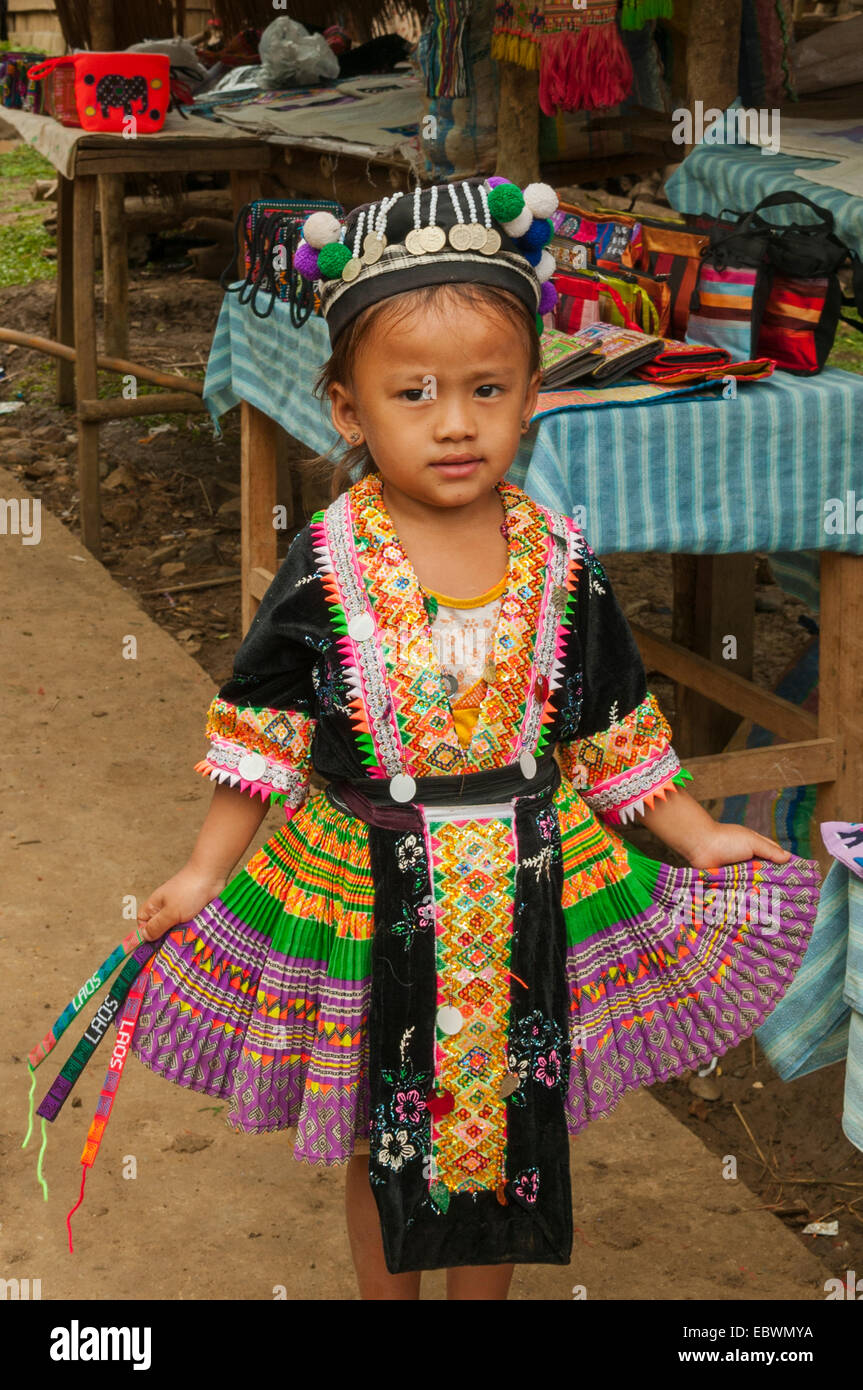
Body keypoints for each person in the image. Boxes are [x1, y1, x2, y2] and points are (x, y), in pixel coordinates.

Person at [33, 177, 821, 1300]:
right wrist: (203, 869)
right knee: (381, 1125)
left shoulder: (559, 559)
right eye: (413, 393)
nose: (454, 421)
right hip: (366, 894)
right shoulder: (326, 561)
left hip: (526, 896)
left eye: (486, 389)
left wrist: (695, 836)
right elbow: (262, 725)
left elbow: (605, 726)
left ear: (531, 398)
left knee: (505, 1126)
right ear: (348, 409)